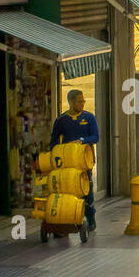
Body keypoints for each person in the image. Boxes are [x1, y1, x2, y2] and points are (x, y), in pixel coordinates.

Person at [50, 89, 100, 230]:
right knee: (67, 190)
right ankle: (66, 219)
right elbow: (54, 142)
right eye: (79, 101)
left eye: (83, 101)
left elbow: (95, 137)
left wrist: (82, 140)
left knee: (86, 190)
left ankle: (90, 219)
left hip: (85, 162)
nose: (83, 103)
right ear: (71, 102)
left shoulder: (89, 118)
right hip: (67, 163)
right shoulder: (61, 120)